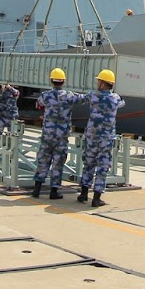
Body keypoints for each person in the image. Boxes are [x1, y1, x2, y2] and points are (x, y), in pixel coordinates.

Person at [34, 67, 86, 199]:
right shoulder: (69, 96)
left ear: (51, 81)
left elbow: (38, 104)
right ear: (63, 82)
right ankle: (54, 191)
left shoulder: (45, 95)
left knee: (43, 160)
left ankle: (37, 189)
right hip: (61, 136)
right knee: (58, 162)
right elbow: (84, 98)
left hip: (47, 134)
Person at [78, 69, 124, 207]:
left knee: (89, 164)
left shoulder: (93, 96)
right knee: (103, 166)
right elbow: (122, 102)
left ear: (103, 84)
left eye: (99, 81)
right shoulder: (115, 98)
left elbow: (81, 98)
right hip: (106, 137)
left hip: (92, 136)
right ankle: (96, 198)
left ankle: (83, 193)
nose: (97, 83)